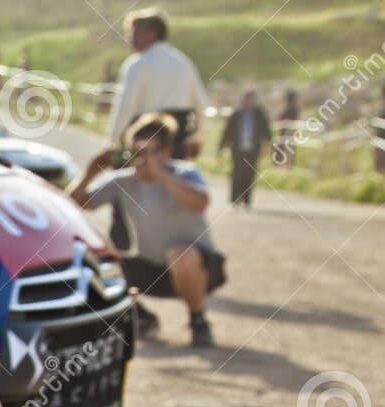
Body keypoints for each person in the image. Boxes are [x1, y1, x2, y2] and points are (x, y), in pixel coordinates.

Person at [70, 113, 225, 348]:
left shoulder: (184, 173)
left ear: (166, 152)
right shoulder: (123, 181)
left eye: (149, 151)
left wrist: (160, 174)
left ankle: (198, 320)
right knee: (98, 266)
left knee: (179, 254)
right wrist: (91, 172)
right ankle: (140, 317)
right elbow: (74, 205)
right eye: (136, 152)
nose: (141, 159)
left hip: (198, 266)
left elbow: (201, 201)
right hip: (151, 265)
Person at [108, 8, 208, 159]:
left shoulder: (137, 64)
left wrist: (113, 141)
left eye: (134, 33)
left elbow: (126, 107)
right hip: (176, 144)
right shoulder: (183, 62)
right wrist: (198, 138)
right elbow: (201, 104)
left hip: (143, 143)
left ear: (152, 33)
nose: (129, 39)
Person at [220, 89, 271, 207]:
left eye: (251, 99)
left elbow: (266, 131)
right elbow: (227, 131)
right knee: (237, 173)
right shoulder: (237, 114)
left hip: (253, 149)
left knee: (250, 173)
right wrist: (222, 145)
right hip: (238, 149)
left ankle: (247, 200)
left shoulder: (259, 114)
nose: (248, 102)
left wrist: (268, 144)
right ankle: (235, 198)